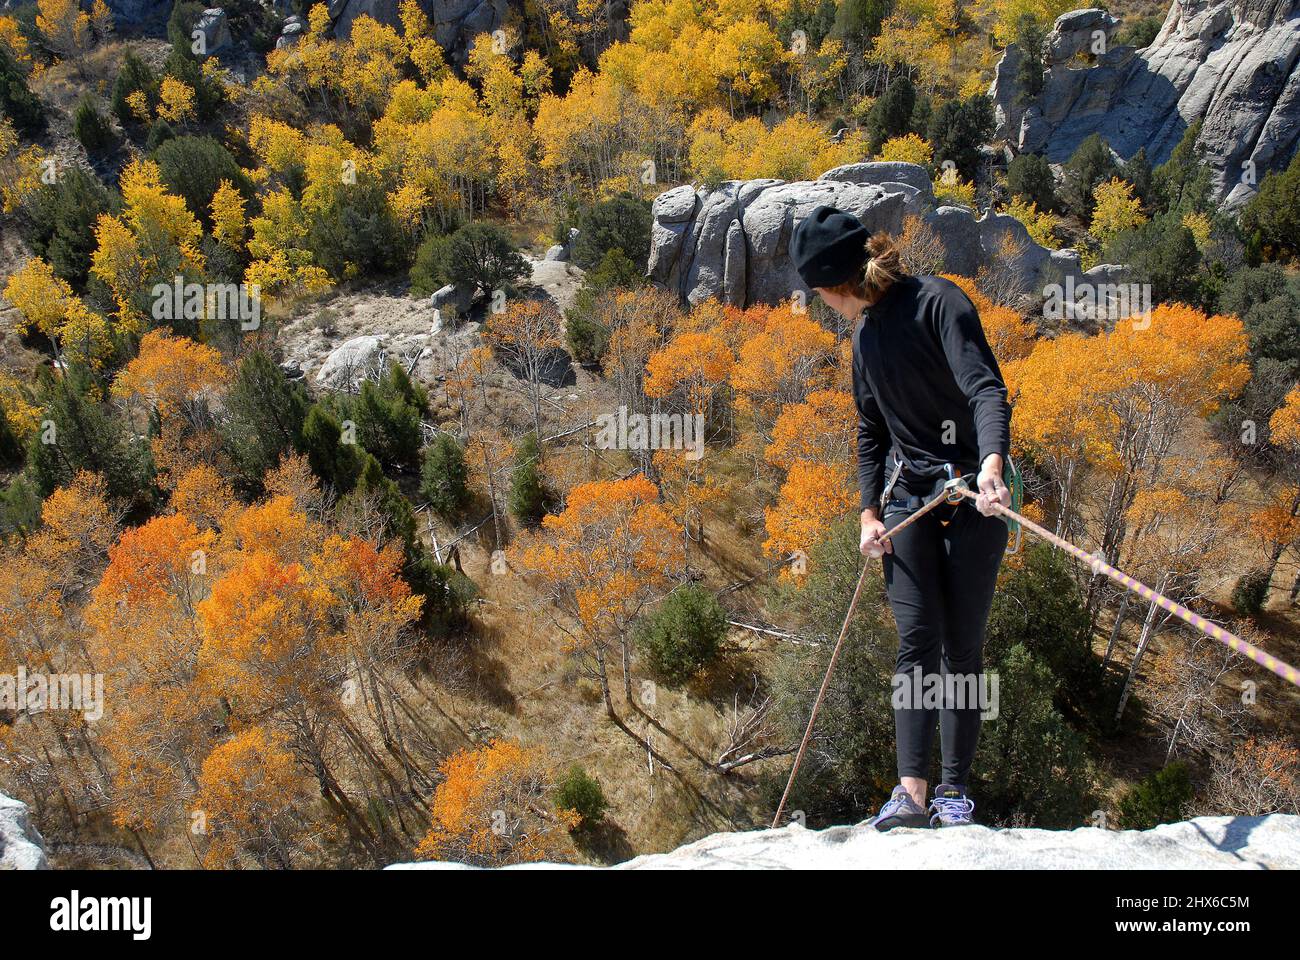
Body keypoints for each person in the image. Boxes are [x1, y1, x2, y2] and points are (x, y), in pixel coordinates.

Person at [790, 205, 1013, 829]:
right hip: (909, 504)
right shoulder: (864, 338)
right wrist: (867, 513)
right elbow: (869, 431)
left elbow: (986, 389)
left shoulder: (940, 303)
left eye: (817, 292)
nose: (819, 302)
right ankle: (910, 794)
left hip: (973, 496)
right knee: (917, 643)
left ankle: (954, 796)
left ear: (833, 287)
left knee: (961, 650)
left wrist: (991, 466)